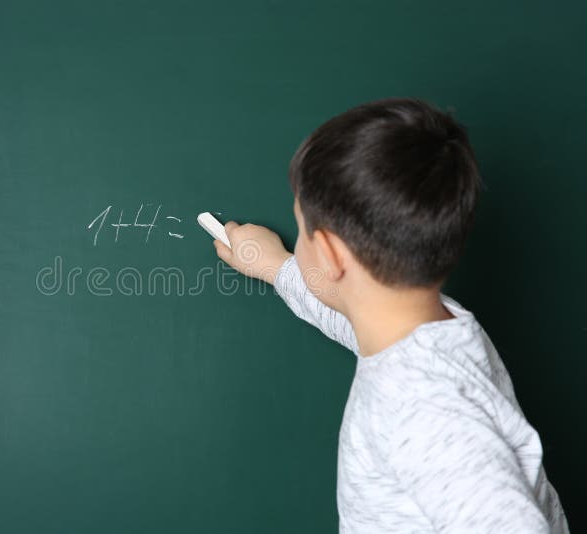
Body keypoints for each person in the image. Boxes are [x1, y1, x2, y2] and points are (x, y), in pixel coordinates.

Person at [214, 97, 569, 533]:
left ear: (330, 253)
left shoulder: (418, 407)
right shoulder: (435, 328)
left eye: (302, 230)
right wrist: (277, 267)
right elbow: (354, 317)